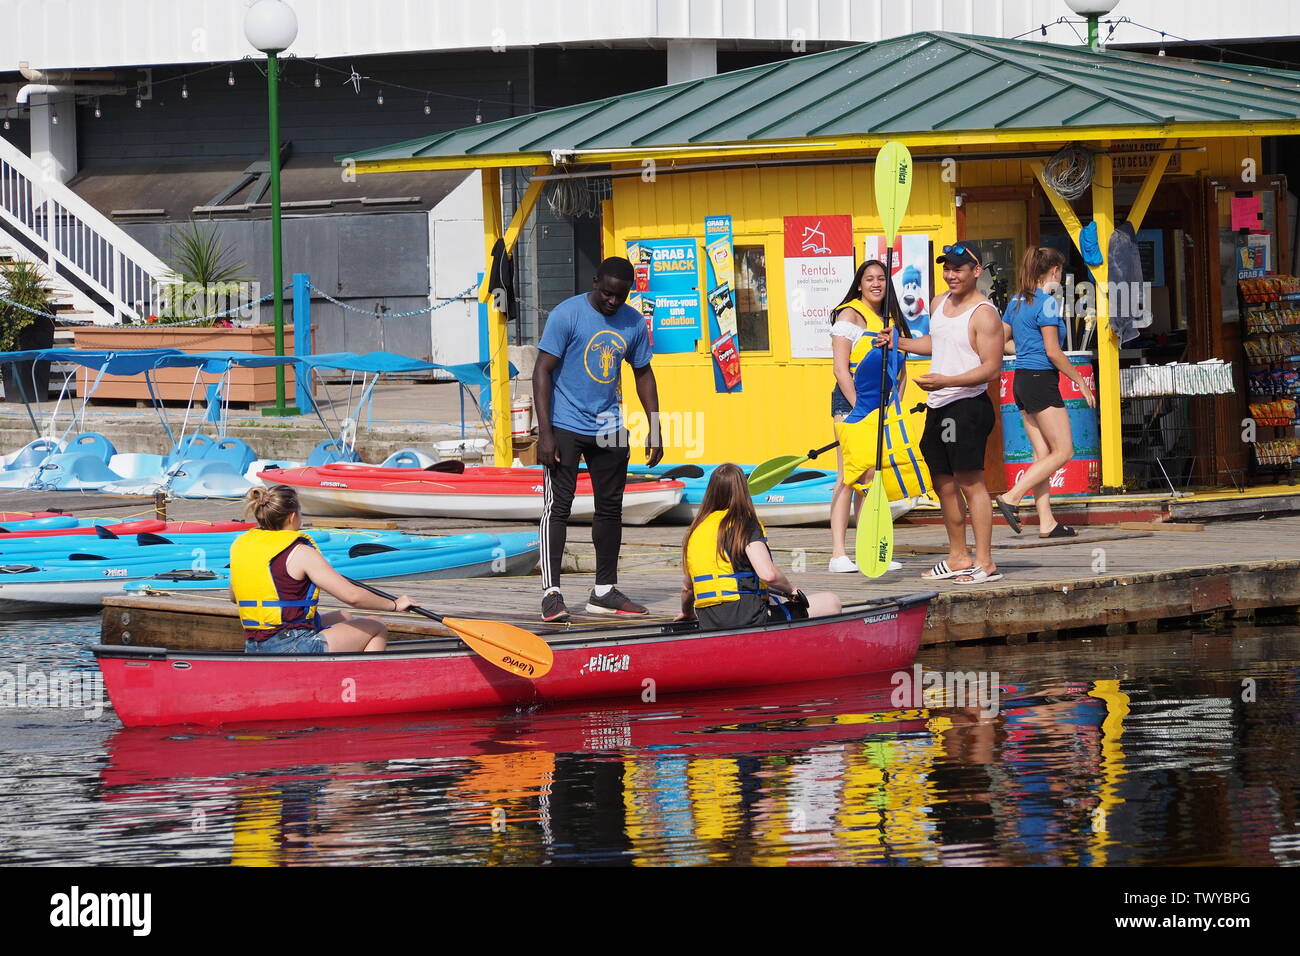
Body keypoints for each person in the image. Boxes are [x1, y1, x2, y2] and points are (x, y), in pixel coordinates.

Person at [533, 256, 664, 623]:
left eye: (620, 296)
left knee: (610, 508)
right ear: (595, 282)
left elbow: (643, 373)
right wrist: (545, 433)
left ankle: (604, 591)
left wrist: (655, 426)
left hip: (609, 424)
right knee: (558, 507)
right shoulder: (567, 315)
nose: (612, 301)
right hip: (565, 423)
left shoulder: (633, 322)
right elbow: (541, 371)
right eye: (607, 293)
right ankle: (551, 593)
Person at [882, 244, 1004, 584]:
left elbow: (992, 368)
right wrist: (899, 342)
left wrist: (946, 381)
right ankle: (958, 556)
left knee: (970, 483)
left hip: (967, 406)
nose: (951, 275)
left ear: (976, 271)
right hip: (938, 405)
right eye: (947, 268)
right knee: (943, 484)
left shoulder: (984, 314)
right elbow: (938, 343)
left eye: (958, 269)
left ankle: (985, 562)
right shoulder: (938, 303)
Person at [231, 485, 415, 653]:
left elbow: (234, 596)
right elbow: (353, 597)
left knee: (343, 616)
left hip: (254, 644)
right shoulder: (300, 551)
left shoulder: (242, 547)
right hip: (292, 645)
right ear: (292, 516)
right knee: (376, 626)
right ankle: (363, 677)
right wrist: (395, 605)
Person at [996, 247, 1097, 538]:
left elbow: (1001, 341)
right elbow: (1053, 351)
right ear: (1054, 271)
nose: (1060, 277)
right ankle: (1011, 497)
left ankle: (1047, 522)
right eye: (1060, 272)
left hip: (1021, 381)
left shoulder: (1016, 301)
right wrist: (1079, 381)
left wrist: (1026, 350)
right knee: (1064, 451)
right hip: (1041, 381)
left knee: (1042, 453)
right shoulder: (1047, 303)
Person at [678, 463, 841, 628]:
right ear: (743, 490)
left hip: (709, 621)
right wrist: (791, 590)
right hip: (748, 616)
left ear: (711, 491)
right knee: (831, 602)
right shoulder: (744, 523)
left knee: (774, 600)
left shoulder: (696, 530)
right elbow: (768, 575)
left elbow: (688, 588)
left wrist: (686, 612)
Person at [828, 259, 909, 574]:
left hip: (881, 407)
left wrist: (892, 407)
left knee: (871, 479)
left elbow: (901, 371)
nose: (876, 284)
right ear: (859, 284)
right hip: (851, 406)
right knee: (848, 476)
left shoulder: (891, 319)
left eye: (881, 278)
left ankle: (869, 550)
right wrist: (860, 409)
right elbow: (840, 369)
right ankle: (838, 555)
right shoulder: (849, 315)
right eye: (869, 279)